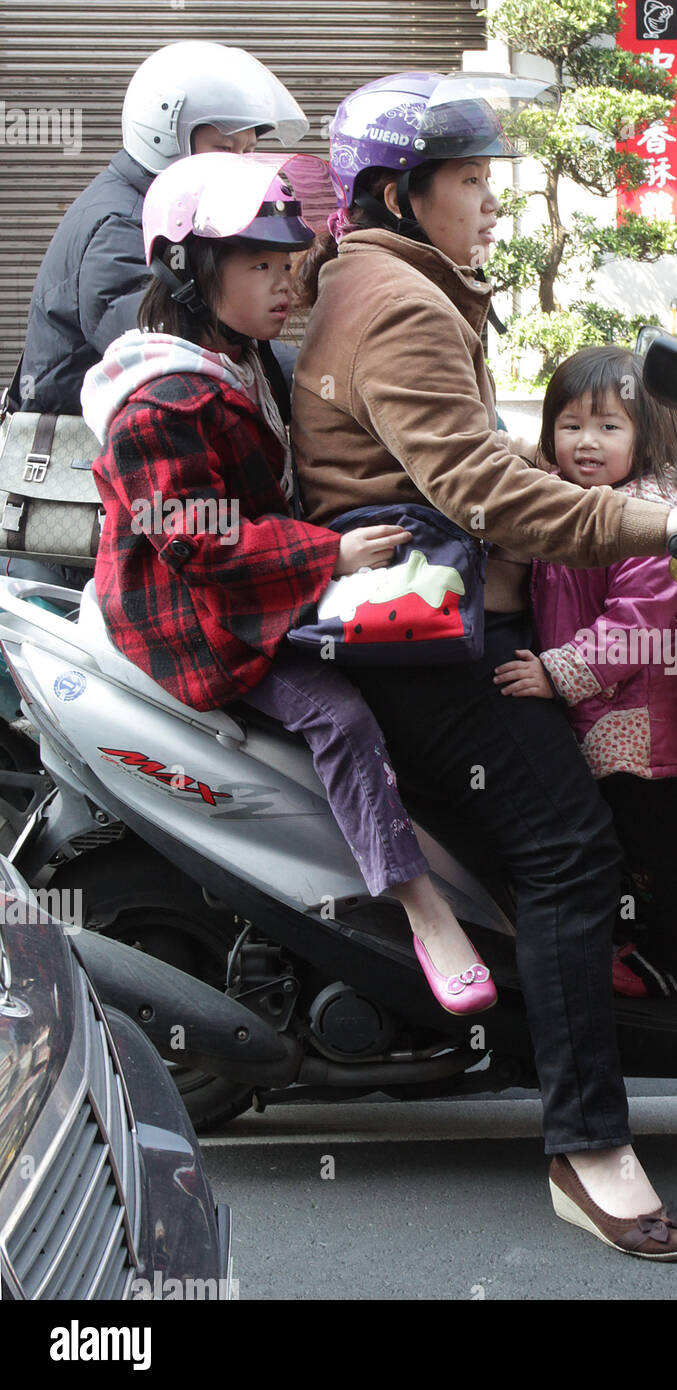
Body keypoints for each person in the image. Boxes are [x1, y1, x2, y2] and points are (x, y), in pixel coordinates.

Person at [291, 73, 677, 1260]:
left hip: (425, 614)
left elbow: (464, 452)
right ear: (399, 190)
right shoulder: (405, 305)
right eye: (472, 183)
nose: (491, 206)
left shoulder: (375, 280)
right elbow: (482, 490)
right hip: (425, 643)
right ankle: (587, 1147)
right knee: (567, 848)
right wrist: (658, 523)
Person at [81, 151, 495, 1016]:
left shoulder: (244, 356)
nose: (283, 284)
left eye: (286, 264)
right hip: (192, 614)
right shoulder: (163, 400)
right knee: (336, 712)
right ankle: (426, 915)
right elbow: (193, 538)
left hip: (260, 575)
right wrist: (326, 557)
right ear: (190, 275)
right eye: (258, 266)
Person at [493, 345, 677, 998]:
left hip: (634, 729)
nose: (586, 442)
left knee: (644, 856)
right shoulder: (563, 501)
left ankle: (661, 971)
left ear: (646, 434)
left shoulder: (647, 516)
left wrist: (557, 672)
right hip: (589, 717)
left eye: (608, 427)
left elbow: (640, 626)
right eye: (570, 425)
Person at [10, 41, 307, 418]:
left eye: (249, 152)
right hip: (91, 452)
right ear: (165, 140)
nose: (242, 167)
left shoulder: (176, 213)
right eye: (225, 150)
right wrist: (313, 376)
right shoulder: (123, 225)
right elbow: (174, 340)